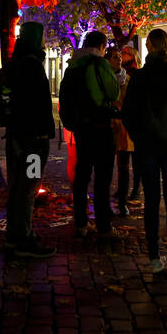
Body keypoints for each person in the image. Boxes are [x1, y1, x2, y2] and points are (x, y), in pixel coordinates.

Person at [122, 29, 167, 275]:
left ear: (149, 47)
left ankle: (154, 257)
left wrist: (138, 135)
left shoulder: (140, 77)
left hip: (147, 145)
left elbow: (129, 112)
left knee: (151, 200)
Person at [3, 22, 56, 259]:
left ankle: (14, 236)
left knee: (17, 187)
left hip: (17, 136)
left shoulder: (15, 63)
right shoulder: (32, 65)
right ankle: (24, 238)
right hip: (33, 139)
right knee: (29, 187)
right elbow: (35, 103)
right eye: (42, 36)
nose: (44, 41)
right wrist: (42, 131)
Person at [62, 31, 120, 240]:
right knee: (102, 178)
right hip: (100, 125)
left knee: (82, 175)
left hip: (81, 128)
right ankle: (104, 226)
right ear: (102, 46)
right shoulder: (99, 63)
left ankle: (81, 223)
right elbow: (113, 92)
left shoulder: (72, 65)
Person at [114, 44, 143, 214]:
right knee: (122, 160)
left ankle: (135, 189)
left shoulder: (135, 75)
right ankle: (123, 193)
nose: (121, 56)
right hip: (119, 123)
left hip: (132, 123)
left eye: (125, 53)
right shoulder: (117, 74)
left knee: (135, 159)